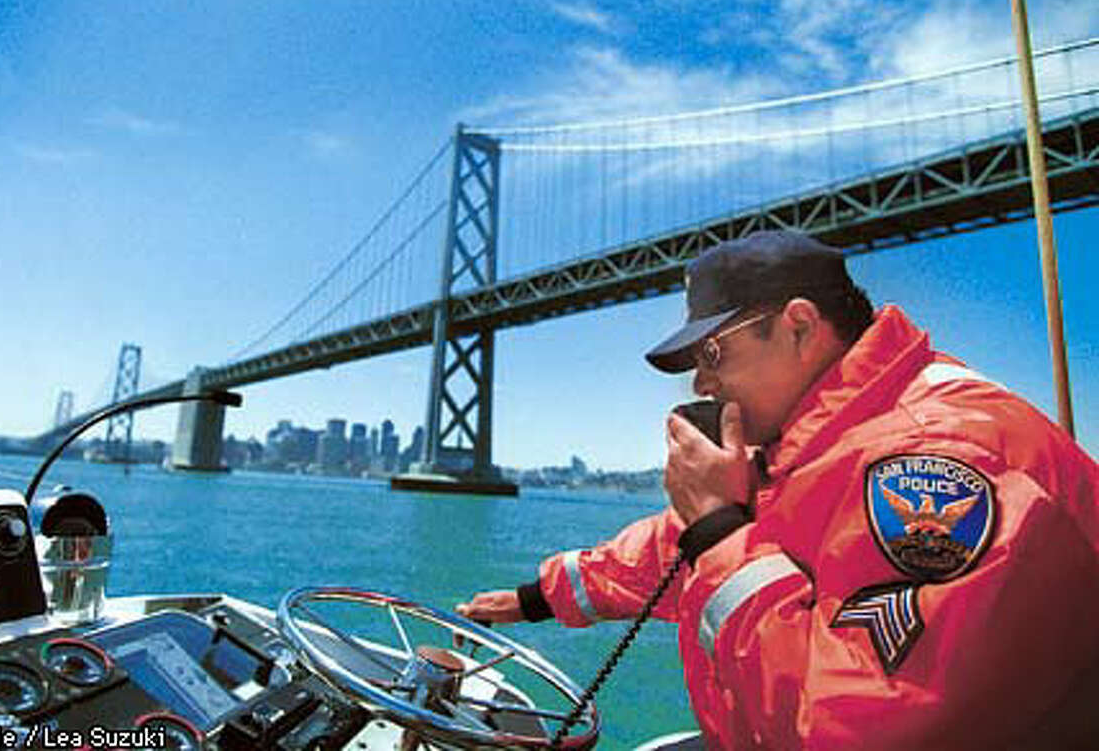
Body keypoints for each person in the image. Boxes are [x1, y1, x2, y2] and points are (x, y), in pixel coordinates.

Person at [457, 230, 1099, 749]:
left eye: (712, 353)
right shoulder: (823, 439)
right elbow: (684, 546)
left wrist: (719, 529)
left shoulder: (939, 462)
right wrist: (539, 596)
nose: (699, 387)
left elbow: (859, 724)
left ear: (798, 324)